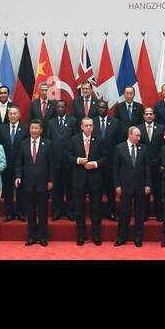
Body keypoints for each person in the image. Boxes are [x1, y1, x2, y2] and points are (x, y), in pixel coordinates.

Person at [15, 119, 53, 246]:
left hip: (43, 183)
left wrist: (51, 180)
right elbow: (19, 163)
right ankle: (31, 236)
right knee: (30, 212)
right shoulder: (23, 144)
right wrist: (18, 176)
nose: (34, 130)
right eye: (32, 128)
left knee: (43, 212)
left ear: (41, 130)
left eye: (36, 128)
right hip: (28, 183)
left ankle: (43, 237)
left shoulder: (48, 144)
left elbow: (51, 164)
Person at [68, 117, 106, 245]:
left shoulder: (99, 139)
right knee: (79, 210)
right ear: (81, 127)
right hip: (79, 179)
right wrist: (78, 160)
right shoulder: (74, 139)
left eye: (91, 125)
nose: (89, 127)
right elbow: (68, 156)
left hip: (95, 179)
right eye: (86, 125)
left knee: (96, 209)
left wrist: (95, 163)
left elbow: (105, 157)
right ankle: (81, 235)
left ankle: (96, 235)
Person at [113, 126, 151, 247]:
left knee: (140, 214)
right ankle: (121, 237)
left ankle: (138, 238)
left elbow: (147, 168)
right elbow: (115, 169)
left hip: (140, 186)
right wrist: (117, 185)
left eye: (139, 135)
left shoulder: (144, 148)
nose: (139, 138)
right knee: (124, 213)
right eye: (137, 135)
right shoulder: (119, 148)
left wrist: (148, 184)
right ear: (130, 135)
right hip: (125, 186)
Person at [46, 100, 77, 220]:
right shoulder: (50, 122)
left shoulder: (73, 121)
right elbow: (48, 141)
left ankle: (70, 212)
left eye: (62, 107)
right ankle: (57, 211)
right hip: (55, 161)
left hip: (69, 161)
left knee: (70, 188)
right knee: (56, 189)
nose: (60, 109)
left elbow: (75, 139)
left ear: (65, 108)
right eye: (58, 107)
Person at [0, 105, 26, 221]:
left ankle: (20, 212)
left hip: (21, 163)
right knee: (8, 189)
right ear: (8, 115)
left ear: (19, 115)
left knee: (21, 189)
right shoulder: (1, 128)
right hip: (6, 163)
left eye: (15, 113)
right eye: (10, 114)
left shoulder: (25, 128)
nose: (12, 115)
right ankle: (9, 213)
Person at [94, 100, 120, 220]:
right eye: (100, 108)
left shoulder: (115, 123)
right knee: (97, 189)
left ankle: (111, 212)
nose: (102, 110)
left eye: (104, 108)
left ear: (108, 109)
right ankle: (97, 213)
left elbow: (119, 144)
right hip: (96, 162)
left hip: (111, 162)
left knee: (110, 190)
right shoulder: (91, 123)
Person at [140, 105, 164, 220]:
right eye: (147, 114)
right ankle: (144, 214)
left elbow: (163, 147)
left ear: (154, 116)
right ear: (143, 116)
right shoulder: (138, 129)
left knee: (158, 191)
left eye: (151, 114)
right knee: (144, 192)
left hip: (157, 165)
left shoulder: (161, 128)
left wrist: (159, 161)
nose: (149, 116)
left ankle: (159, 214)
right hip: (142, 166)